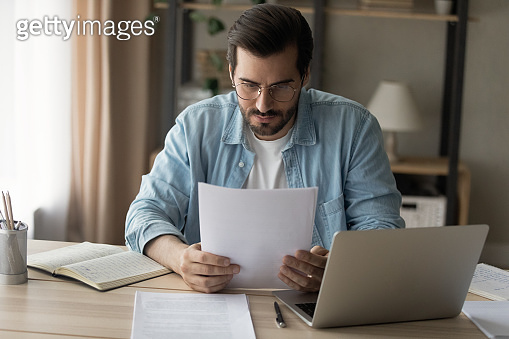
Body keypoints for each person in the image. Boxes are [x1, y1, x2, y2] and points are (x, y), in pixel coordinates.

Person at [125, 3, 404, 293]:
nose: (263, 104)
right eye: (248, 85)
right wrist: (180, 258)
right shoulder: (196, 126)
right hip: (213, 301)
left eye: (281, 87)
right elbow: (145, 214)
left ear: (304, 75)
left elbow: (382, 228)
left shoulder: (353, 127)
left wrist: (340, 268)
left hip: (314, 304)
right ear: (232, 73)